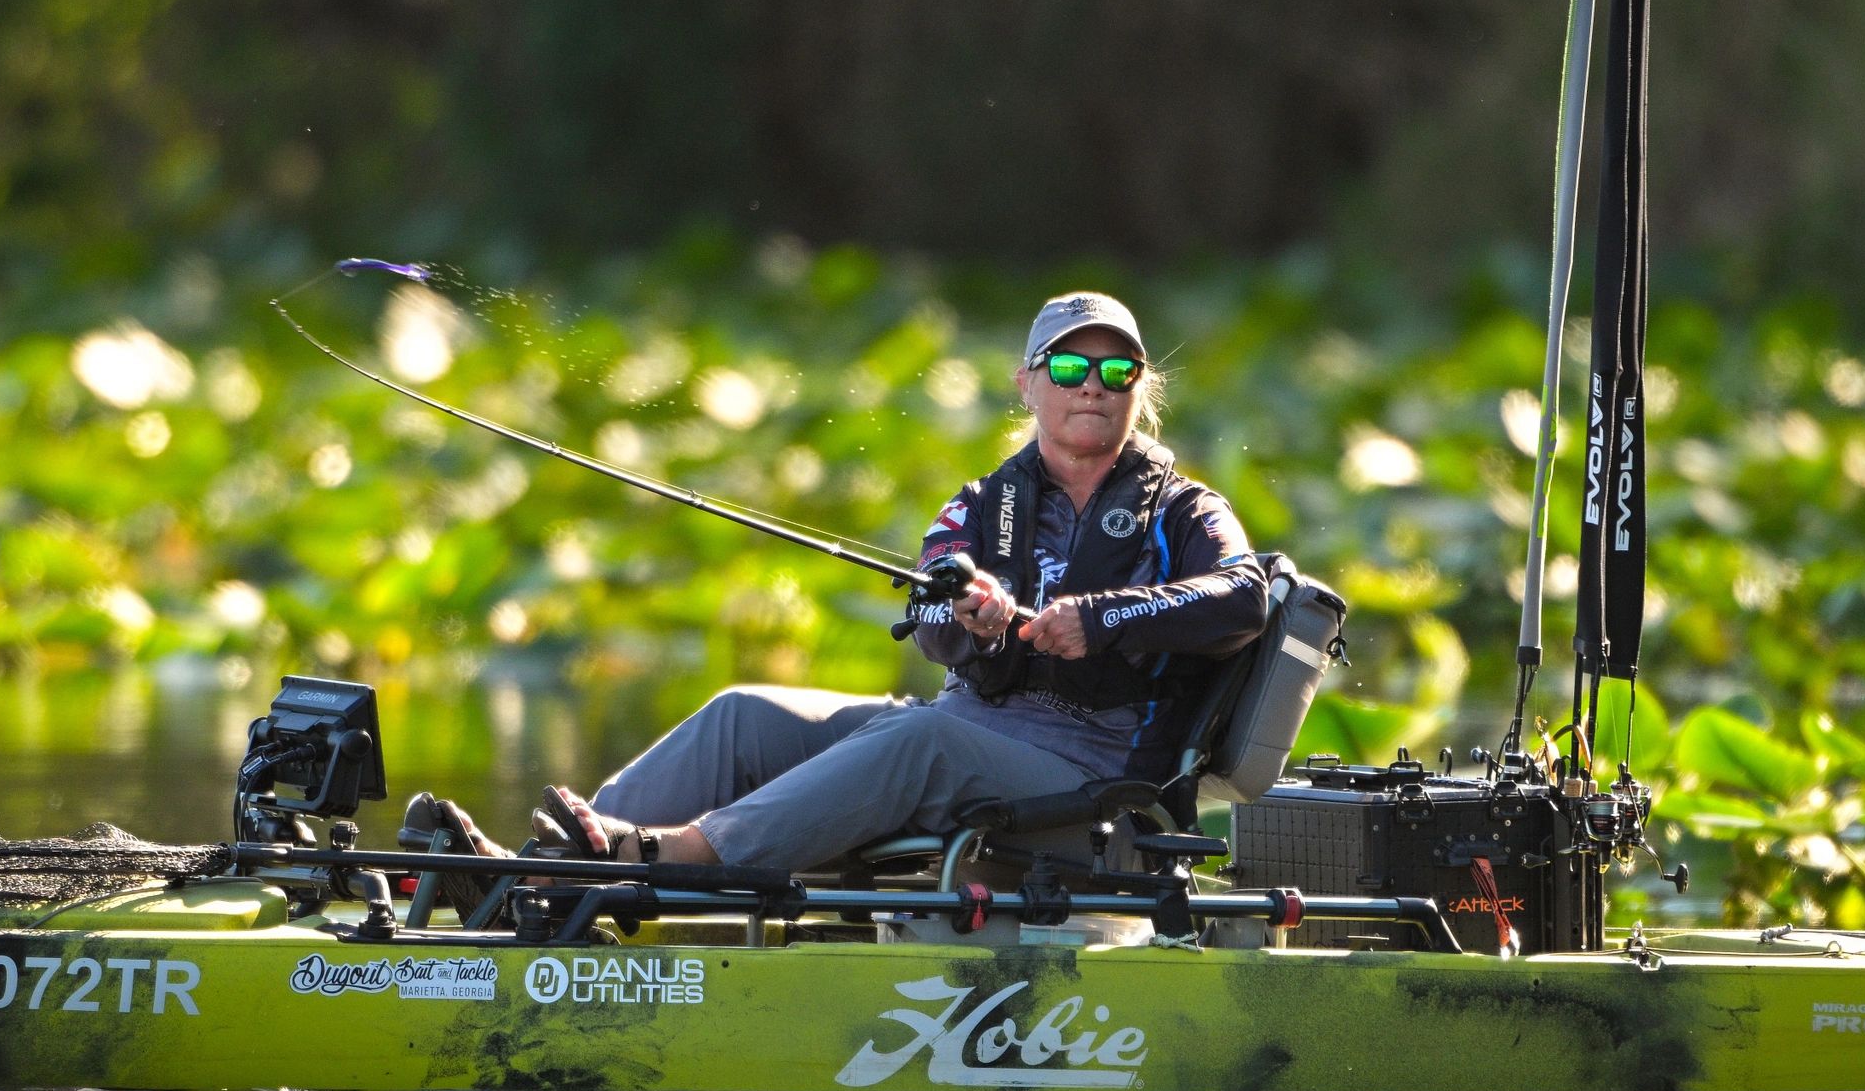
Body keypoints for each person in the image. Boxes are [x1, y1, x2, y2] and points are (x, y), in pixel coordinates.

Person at [420, 291, 1273, 878]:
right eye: (1069, 368)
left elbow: (1244, 595)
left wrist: (1105, 617)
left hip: (1091, 780)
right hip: (968, 724)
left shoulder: (1185, 510)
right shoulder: (982, 504)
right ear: (1026, 384)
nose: (1093, 386)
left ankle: (676, 854)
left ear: (1141, 391)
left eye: (1118, 373)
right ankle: (550, 867)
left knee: (917, 744)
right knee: (741, 714)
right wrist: (967, 618)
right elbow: (929, 607)